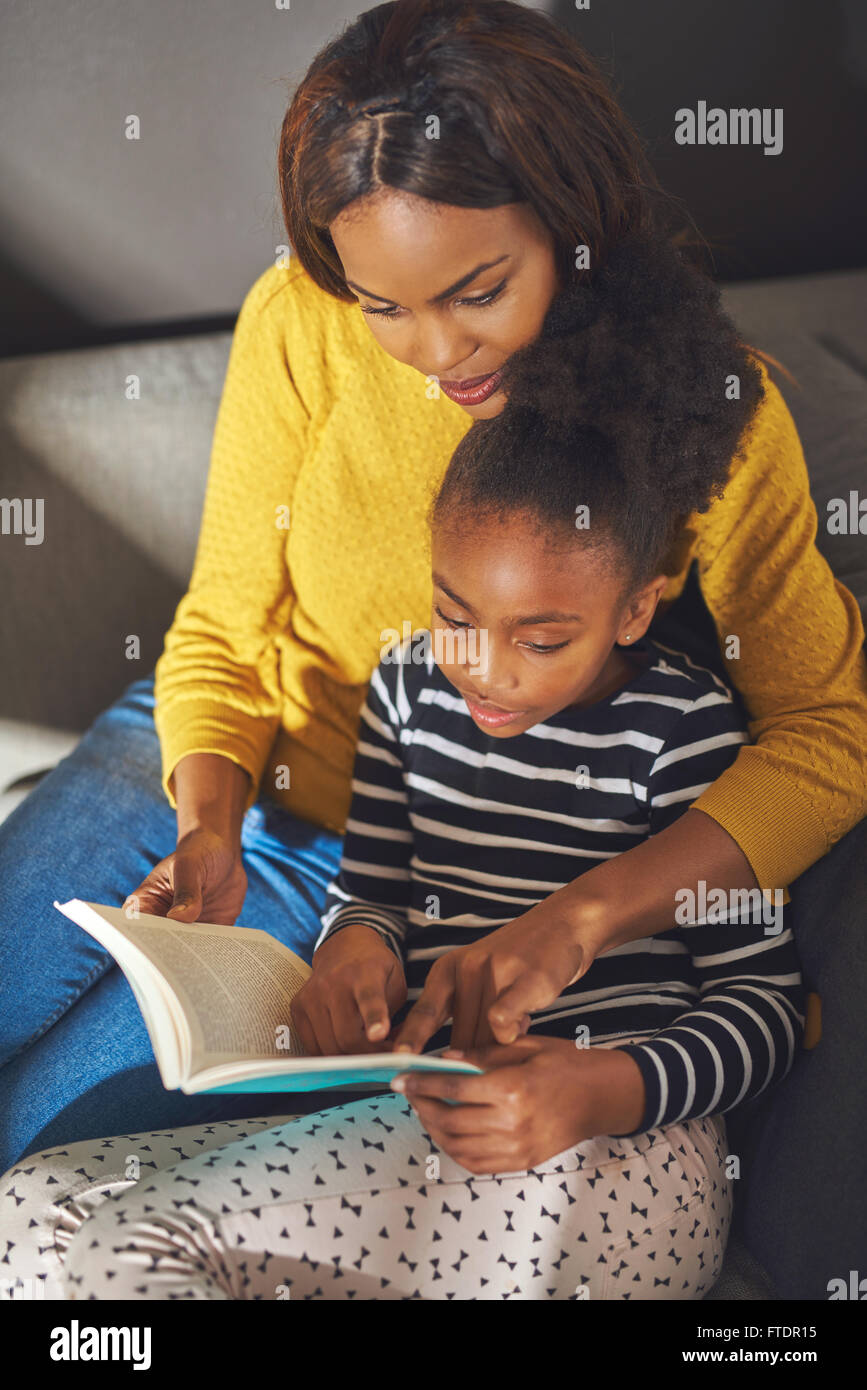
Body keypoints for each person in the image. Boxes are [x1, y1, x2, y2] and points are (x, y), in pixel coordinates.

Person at [0, 0, 864, 1291]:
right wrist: (208, 828)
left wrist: (586, 918)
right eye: (383, 307)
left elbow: (832, 736)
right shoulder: (297, 325)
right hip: (208, 759)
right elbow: (222, 629)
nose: (436, 355)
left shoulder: (710, 415)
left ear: (570, 222)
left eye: (475, 292)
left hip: (387, 853)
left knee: (34, 1149)